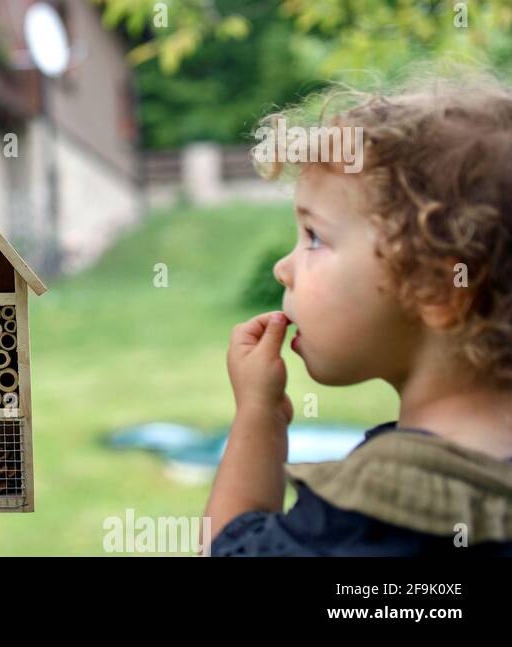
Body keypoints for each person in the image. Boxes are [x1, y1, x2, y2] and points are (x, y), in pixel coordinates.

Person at [205, 72, 512, 556]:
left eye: (316, 237)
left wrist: (258, 417)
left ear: (439, 290)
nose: (283, 268)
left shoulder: (371, 514)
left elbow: (227, 549)